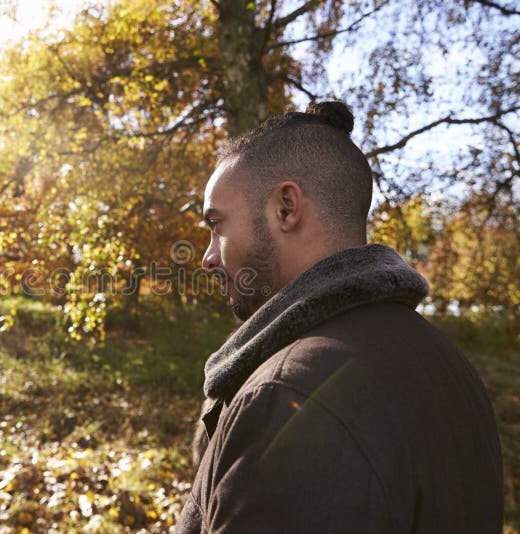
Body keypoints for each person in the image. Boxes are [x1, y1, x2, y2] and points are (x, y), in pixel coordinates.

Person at [176, 101, 503, 533]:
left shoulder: (288, 392)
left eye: (216, 224)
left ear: (286, 208)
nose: (208, 257)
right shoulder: (447, 360)